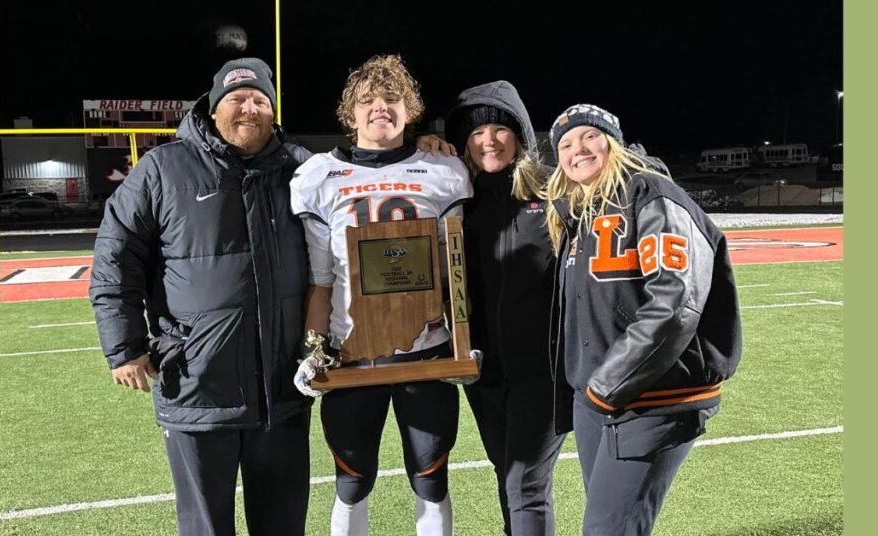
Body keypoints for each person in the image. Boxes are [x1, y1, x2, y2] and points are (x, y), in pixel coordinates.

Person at [89, 57, 315, 536]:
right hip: (198, 382)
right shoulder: (162, 168)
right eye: (236, 99)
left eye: (260, 99)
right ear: (213, 110)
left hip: (282, 386)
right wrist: (124, 346)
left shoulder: (301, 169)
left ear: (272, 111)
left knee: (284, 524)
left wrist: (430, 148)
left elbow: (364, 184)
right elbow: (115, 256)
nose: (248, 108)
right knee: (205, 527)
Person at [290, 54, 473, 536]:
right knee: (352, 482)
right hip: (352, 353)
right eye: (367, 101)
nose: (380, 109)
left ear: (409, 110)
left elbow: (455, 268)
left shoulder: (442, 169)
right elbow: (321, 280)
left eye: (392, 100)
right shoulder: (318, 176)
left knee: (431, 479)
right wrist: (312, 351)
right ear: (349, 114)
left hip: (426, 351)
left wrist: (461, 341)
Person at [543, 104, 742, 536]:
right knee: (612, 525)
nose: (578, 149)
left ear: (612, 142)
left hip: (650, 398)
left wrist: (605, 386)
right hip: (597, 398)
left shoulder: (651, 193)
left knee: (607, 530)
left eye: (589, 136)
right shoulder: (579, 212)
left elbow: (676, 302)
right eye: (565, 144)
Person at [443, 81, 565, 536]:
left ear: (519, 135)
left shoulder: (554, 193)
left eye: (499, 129)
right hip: (485, 372)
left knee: (526, 484)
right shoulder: (458, 199)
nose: (488, 140)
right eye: (477, 132)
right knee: (507, 476)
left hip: (545, 372)